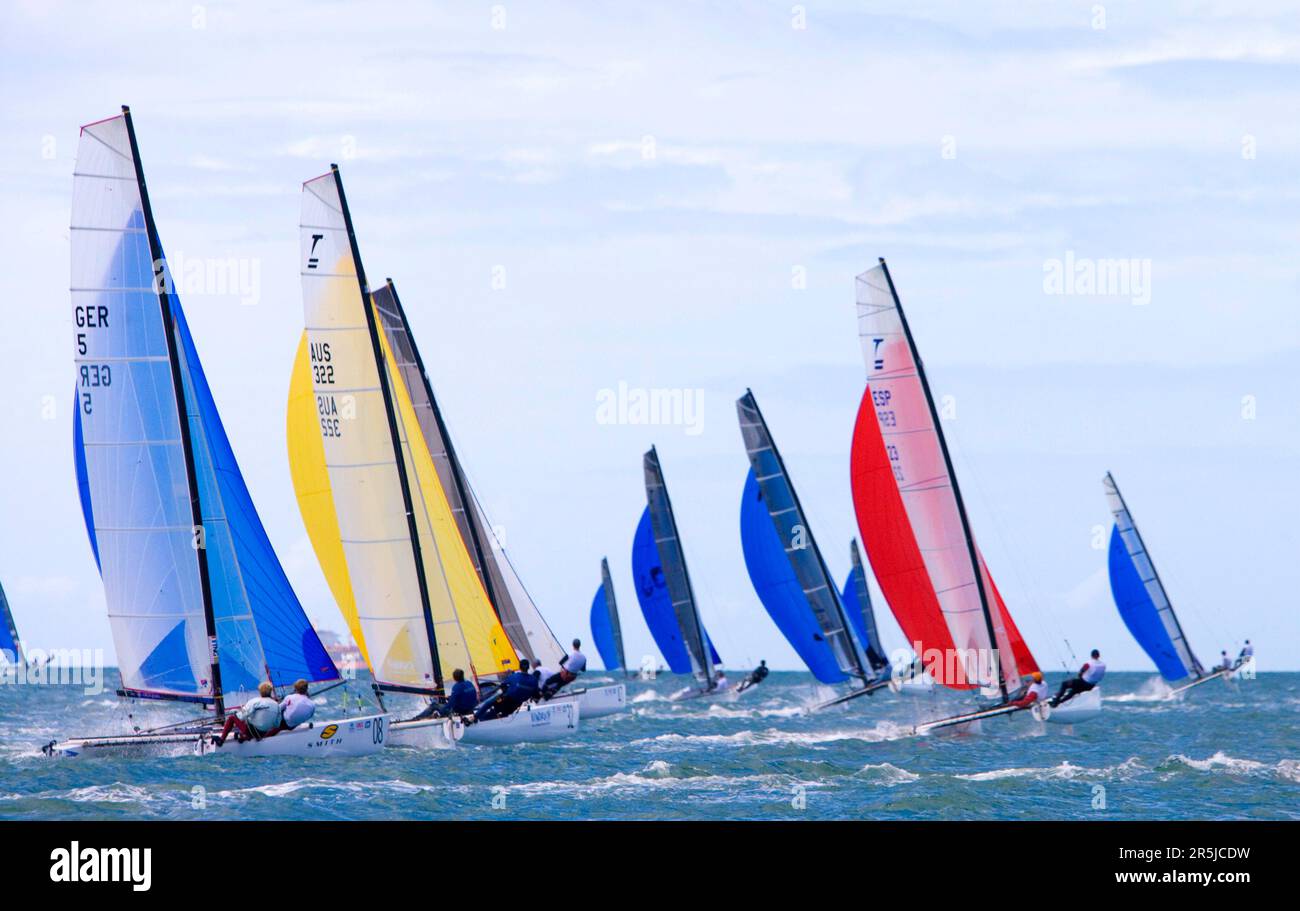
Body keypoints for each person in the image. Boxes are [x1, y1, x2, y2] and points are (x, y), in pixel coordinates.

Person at [214, 681, 282, 746]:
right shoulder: (277, 705)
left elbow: (241, 716)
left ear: (260, 691)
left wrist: (237, 714)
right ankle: (244, 737)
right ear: (270, 691)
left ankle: (221, 740)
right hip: (264, 733)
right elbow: (277, 724)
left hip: (253, 732)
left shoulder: (255, 701)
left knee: (232, 718)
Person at [410, 668, 479, 720]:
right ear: (462, 676)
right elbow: (467, 696)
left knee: (434, 705)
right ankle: (433, 715)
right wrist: (450, 698)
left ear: (454, 678)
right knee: (444, 704)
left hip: (460, 712)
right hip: (470, 710)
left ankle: (416, 719)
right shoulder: (469, 683)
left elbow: (450, 705)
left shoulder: (456, 687)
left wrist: (442, 711)